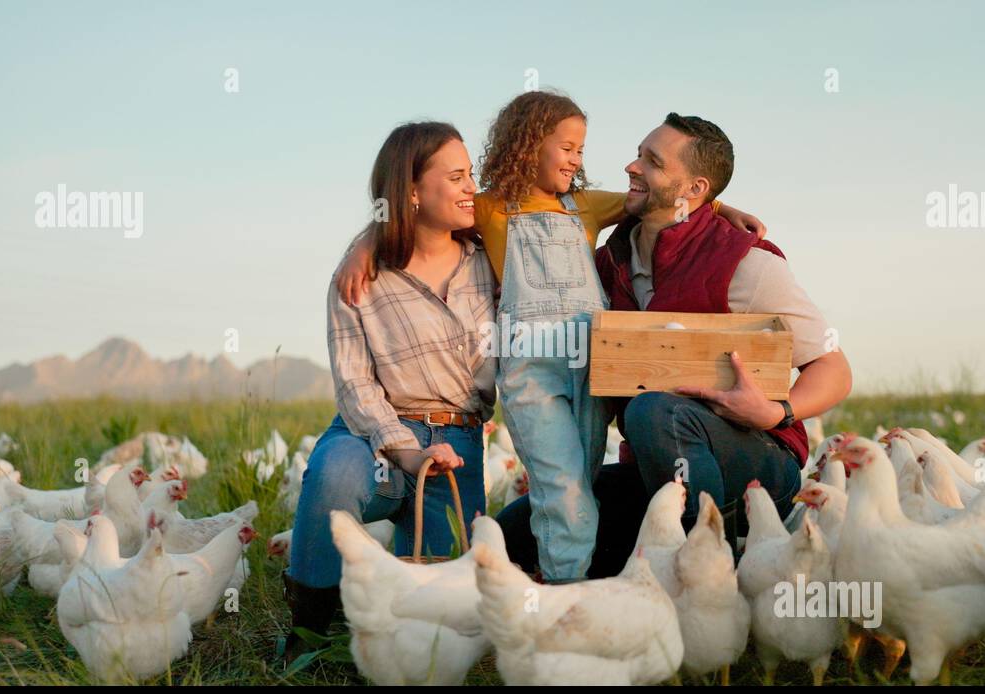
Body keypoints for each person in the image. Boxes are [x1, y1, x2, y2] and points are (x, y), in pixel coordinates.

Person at [336, 91, 767, 582]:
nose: (577, 159)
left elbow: (664, 198)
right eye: (566, 147)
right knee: (563, 489)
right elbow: (419, 209)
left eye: (580, 150)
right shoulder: (492, 208)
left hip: (591, 367)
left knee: (578, 484)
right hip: (532, 369)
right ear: (528, 144)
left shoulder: (584, 205)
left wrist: (722, 206)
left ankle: (559, 579)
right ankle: (567, 593)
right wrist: (366, 244)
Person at [500, 113, 852, 563]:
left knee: (656, 409)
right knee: (523, 534)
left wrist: (773, 412)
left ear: (694, 190)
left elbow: (834, 370)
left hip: (755, 466)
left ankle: (710, 571)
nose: (631, 166)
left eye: (652, 161)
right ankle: (639, 571)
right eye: (638, 153)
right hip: (654, 470)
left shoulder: (747, 263)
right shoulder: (607, 263)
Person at [282, 121, 495, 663]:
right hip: (373, 435)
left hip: (458, 447)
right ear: (412, 192)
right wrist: (404, 449)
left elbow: (565, 212)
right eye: (455, 176)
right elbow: (354, 384)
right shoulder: (358, 277)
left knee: (436, 624)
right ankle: (309, 635)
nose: (471, 185)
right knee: (332, 478)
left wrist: (717, 210)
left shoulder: (491, 256)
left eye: (471, 173)